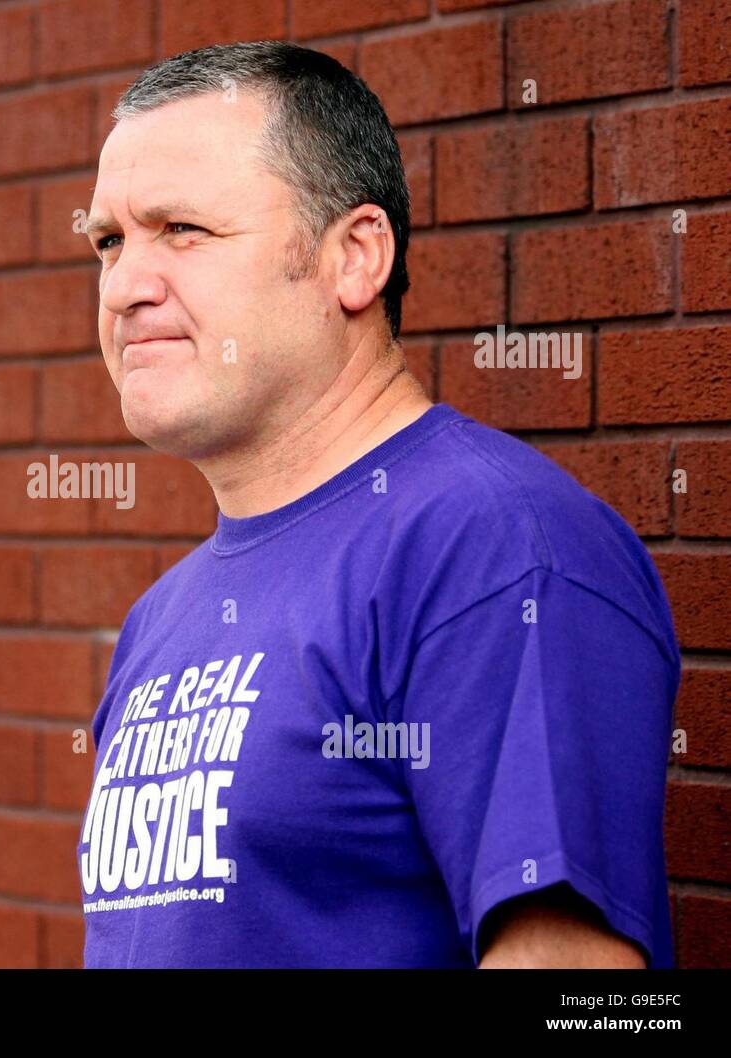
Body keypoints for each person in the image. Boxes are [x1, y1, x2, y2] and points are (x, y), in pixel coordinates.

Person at [76, 40, 679, 969]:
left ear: (354, 257)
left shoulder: (493, 549)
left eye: (183, 231)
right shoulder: (160, 620)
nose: (124, 288)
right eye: (109, 242)